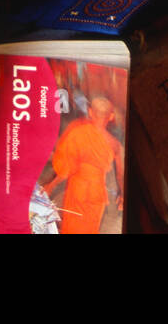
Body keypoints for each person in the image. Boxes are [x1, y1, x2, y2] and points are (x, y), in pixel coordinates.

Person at [42, 96, 124, 234]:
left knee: (72, 228)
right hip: (97, 193)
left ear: (91, 112)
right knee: (90, 229)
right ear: (110, 117)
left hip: (78, 190)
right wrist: (122, 195)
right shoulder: (115, 144)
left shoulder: (78, 132)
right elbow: (120, 175)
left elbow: (68, 168)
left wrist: (50, 186)